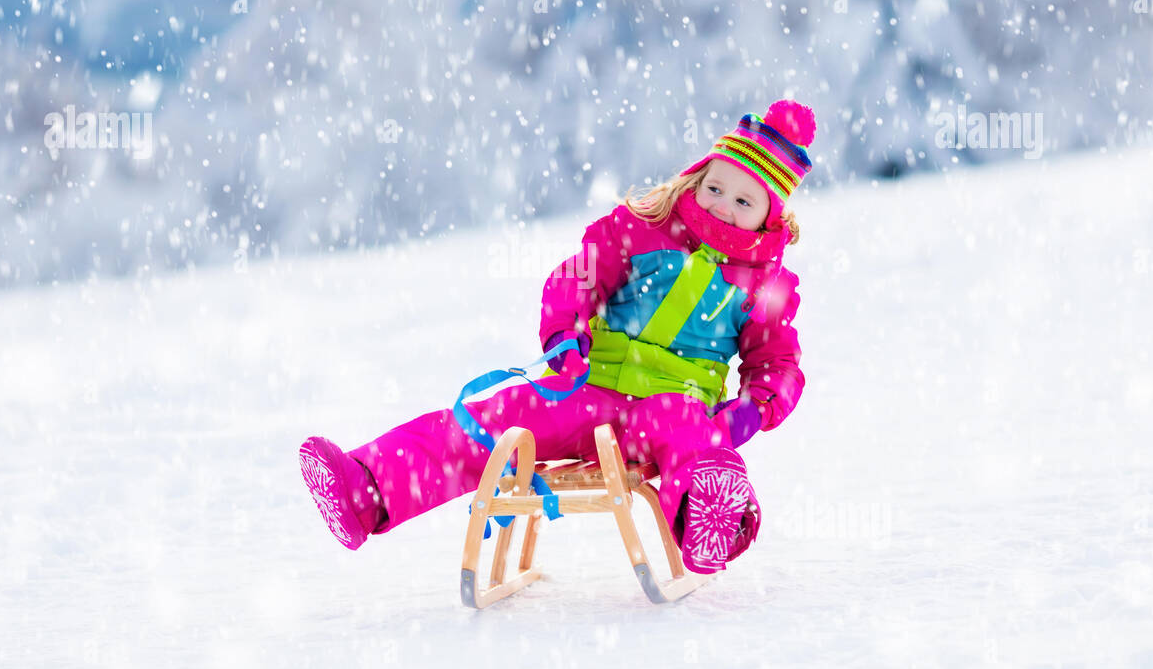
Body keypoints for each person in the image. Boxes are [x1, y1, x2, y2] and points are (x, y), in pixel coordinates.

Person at [299, 100, 814, 574]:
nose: (722, 205)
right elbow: (578, 279)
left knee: (690, 435)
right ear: (696, 179)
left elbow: (779, 366)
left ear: (771, 217)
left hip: (672, 404)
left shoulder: (765, 286)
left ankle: (710, 517)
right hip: (585, 387)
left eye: (744, 200)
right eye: (715, 188)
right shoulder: (641, 231)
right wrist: (565, 337)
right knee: (497, 424)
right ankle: (366, 489)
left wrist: (752, 409)